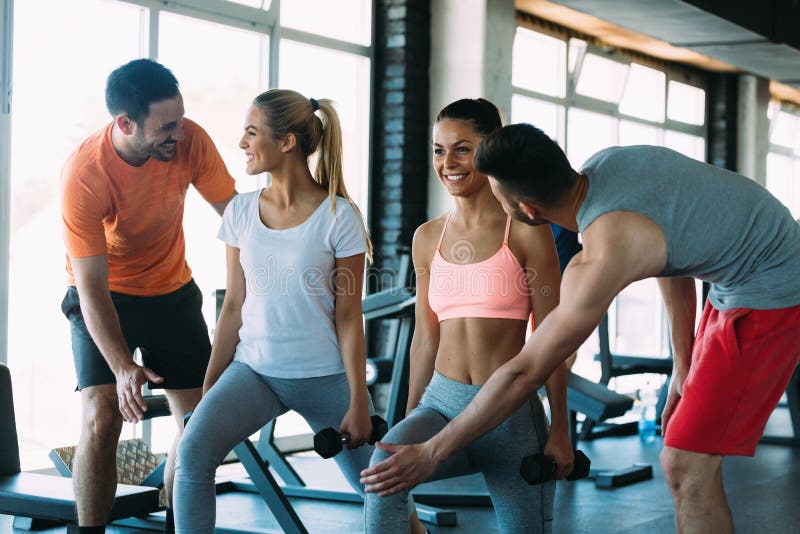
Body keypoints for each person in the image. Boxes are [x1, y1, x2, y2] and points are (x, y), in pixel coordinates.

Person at [360, 124, 800, 533]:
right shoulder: (610, 165)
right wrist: (682, 363)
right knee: (683, 455)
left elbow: (525, 371)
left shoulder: (605, 254)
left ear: (528, 211)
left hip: (773, 291)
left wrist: (434, 451)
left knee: (687, 464)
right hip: (742, 271)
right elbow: (673, 247)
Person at [364, 100, 571, 534]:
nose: (448, 163)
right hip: (442, 403)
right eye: (439, 150)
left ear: (491, 149)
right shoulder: (427, 237)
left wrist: (561, 431)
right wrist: (407, 420)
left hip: (510, 414)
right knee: (384, 473)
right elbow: (425, 338)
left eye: (462, 149)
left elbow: (553, 335)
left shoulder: (529, 230)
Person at [172, 89, 375, 532]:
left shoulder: (340, 217)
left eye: (251, 132)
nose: (242, 143)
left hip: (324, 377)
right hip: (255, 372)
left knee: (380, 485)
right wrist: (209, 388)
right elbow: (232, 311)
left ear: (286, 143)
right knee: (192, 451)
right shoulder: (241, 212)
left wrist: (359, 399)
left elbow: (348, 317)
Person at [59, 59, 236, 533]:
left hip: (172, 292)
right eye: (166, 126)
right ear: (124, 123)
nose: (179, 134)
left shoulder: (190, 139)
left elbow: (236, 218)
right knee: (102, 417)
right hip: (105, 297)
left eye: (180, 120)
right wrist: (122, 368)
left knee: (198, 425)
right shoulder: (85, 176)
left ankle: (183, 524)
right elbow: (91, 288)